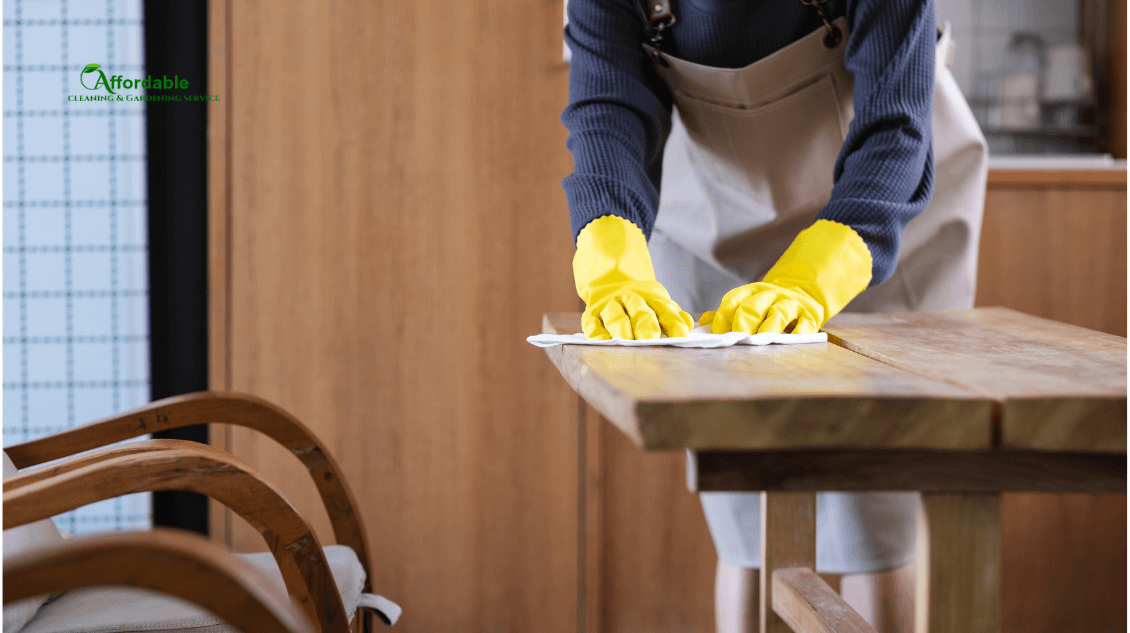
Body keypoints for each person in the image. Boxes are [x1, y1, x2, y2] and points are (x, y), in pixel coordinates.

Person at [560, 0, 987, 631]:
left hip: (877, 220)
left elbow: (894, 132)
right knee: (746, 509)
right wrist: (611, 255)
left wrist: (812, 277)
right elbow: (609, 111)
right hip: (715, 218)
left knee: (877, 513)